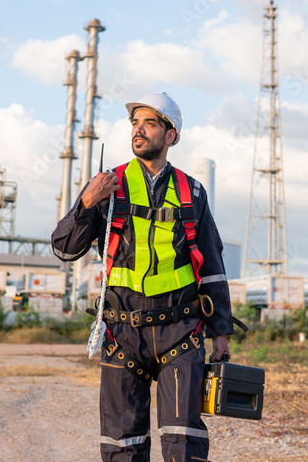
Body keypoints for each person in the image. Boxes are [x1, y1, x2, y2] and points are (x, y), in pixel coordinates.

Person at [52, 91, 234, 462]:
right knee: (123, 446)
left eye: (149, 123)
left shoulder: (192, 191)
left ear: (171, 136)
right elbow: (64, 249)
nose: (139, 130)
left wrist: (221, 332)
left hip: (181, 332)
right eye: (135, 123)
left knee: (184, 442)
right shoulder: (108, 185)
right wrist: (87, 202)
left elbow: (212, 266)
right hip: (123, 334)